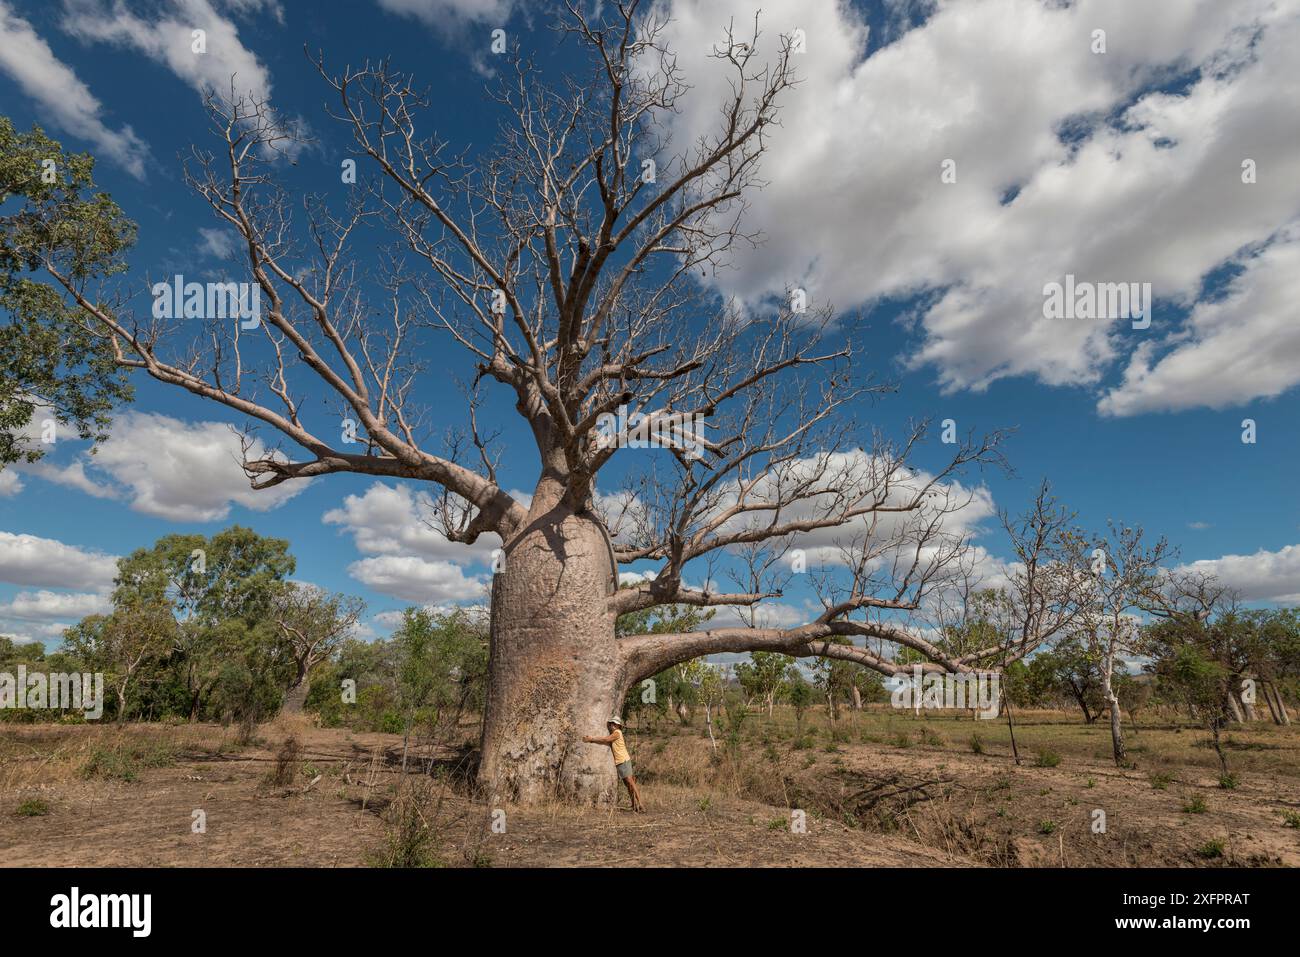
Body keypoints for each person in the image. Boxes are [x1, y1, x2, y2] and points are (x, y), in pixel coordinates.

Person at [582, 715, 644, 812]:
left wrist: (591, 739)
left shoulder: (617, 733)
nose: (611, 725)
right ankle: (634, 805)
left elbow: (605, 740)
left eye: (613, 724)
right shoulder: (613, 736)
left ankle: (640, 804)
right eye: (611, 724)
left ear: (617, 725)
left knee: (631, 783)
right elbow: (604, 742)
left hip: (624, 760)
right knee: (628, 785)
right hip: (619, 763)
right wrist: (591, 742)